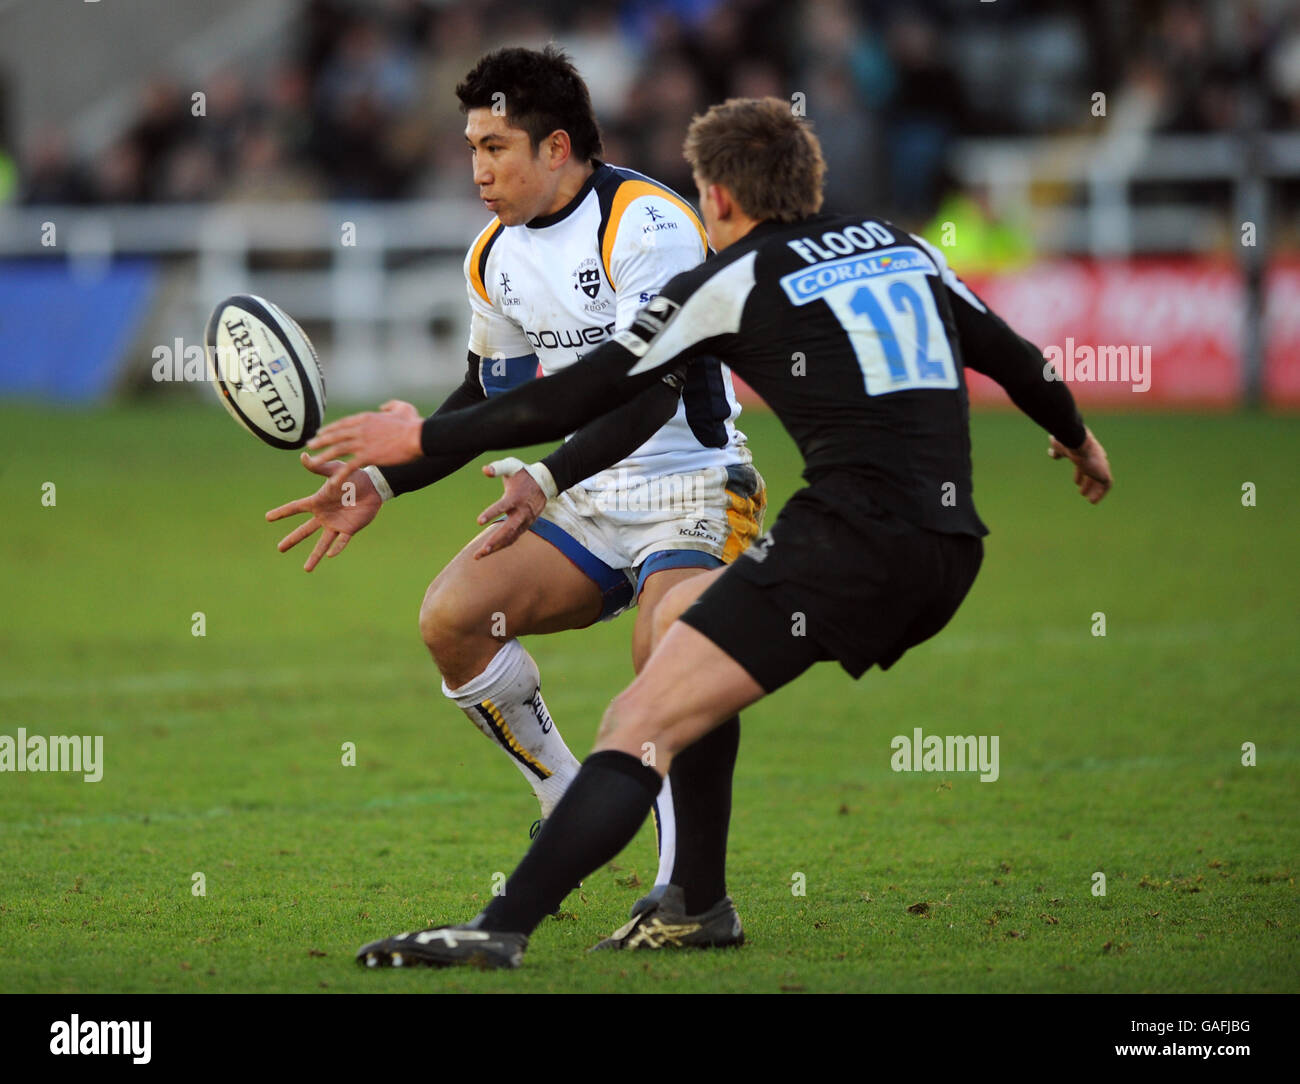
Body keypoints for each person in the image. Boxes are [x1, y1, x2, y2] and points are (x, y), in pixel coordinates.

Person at [306, 97, 1113, 970]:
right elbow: (1016, 358)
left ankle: (500, 928)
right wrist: (1078, 442)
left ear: (719, 198)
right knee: (685, 661)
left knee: (642, 715)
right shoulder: (904, 246)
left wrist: (421, 437)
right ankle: (695, 904)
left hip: (844, 541)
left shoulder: (728, 282)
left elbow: (576, 396)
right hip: (953, 547)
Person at [268, 47, 764, 939]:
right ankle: (568, 794)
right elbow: (487, 400)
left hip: (691, 483)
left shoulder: (647, 225)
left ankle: (685, 896)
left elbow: (649, 391)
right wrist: (382, 477)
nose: (478, 169)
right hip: (580, 495)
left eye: (496, 146)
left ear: (557, 147)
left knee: (671, 648)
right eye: (471, 147)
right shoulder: (492, 255)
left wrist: (544, 475)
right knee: (452, 619)